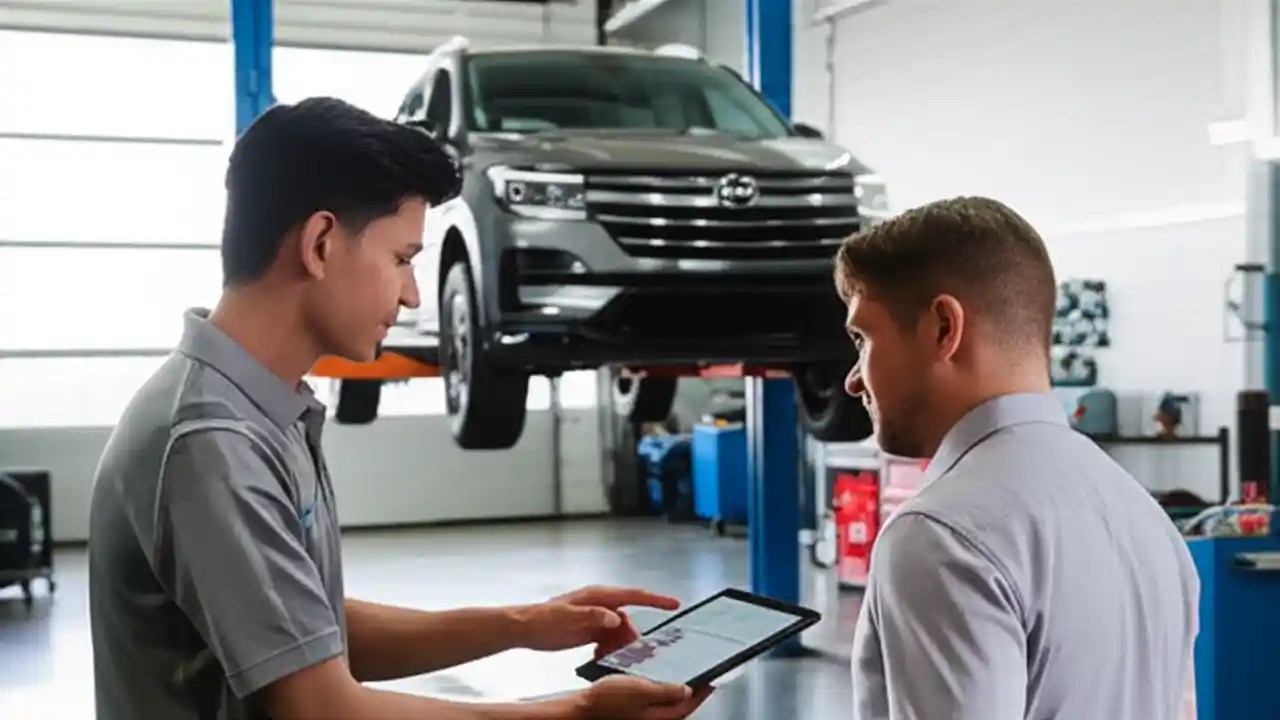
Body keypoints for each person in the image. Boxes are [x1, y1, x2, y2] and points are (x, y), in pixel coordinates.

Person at [87, 97, 711, 720]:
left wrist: (522, 624)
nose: (412, 294)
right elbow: (322, 709)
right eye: (402, 259)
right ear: (322, 243)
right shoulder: (213, 441)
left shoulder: (253, 412)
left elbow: (304, 631)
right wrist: (578, 714)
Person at [834, 196, 1199, 719]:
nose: (853, 379)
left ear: (943, 328)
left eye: (862, 338)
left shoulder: (941, 535)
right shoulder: (1146, 520)